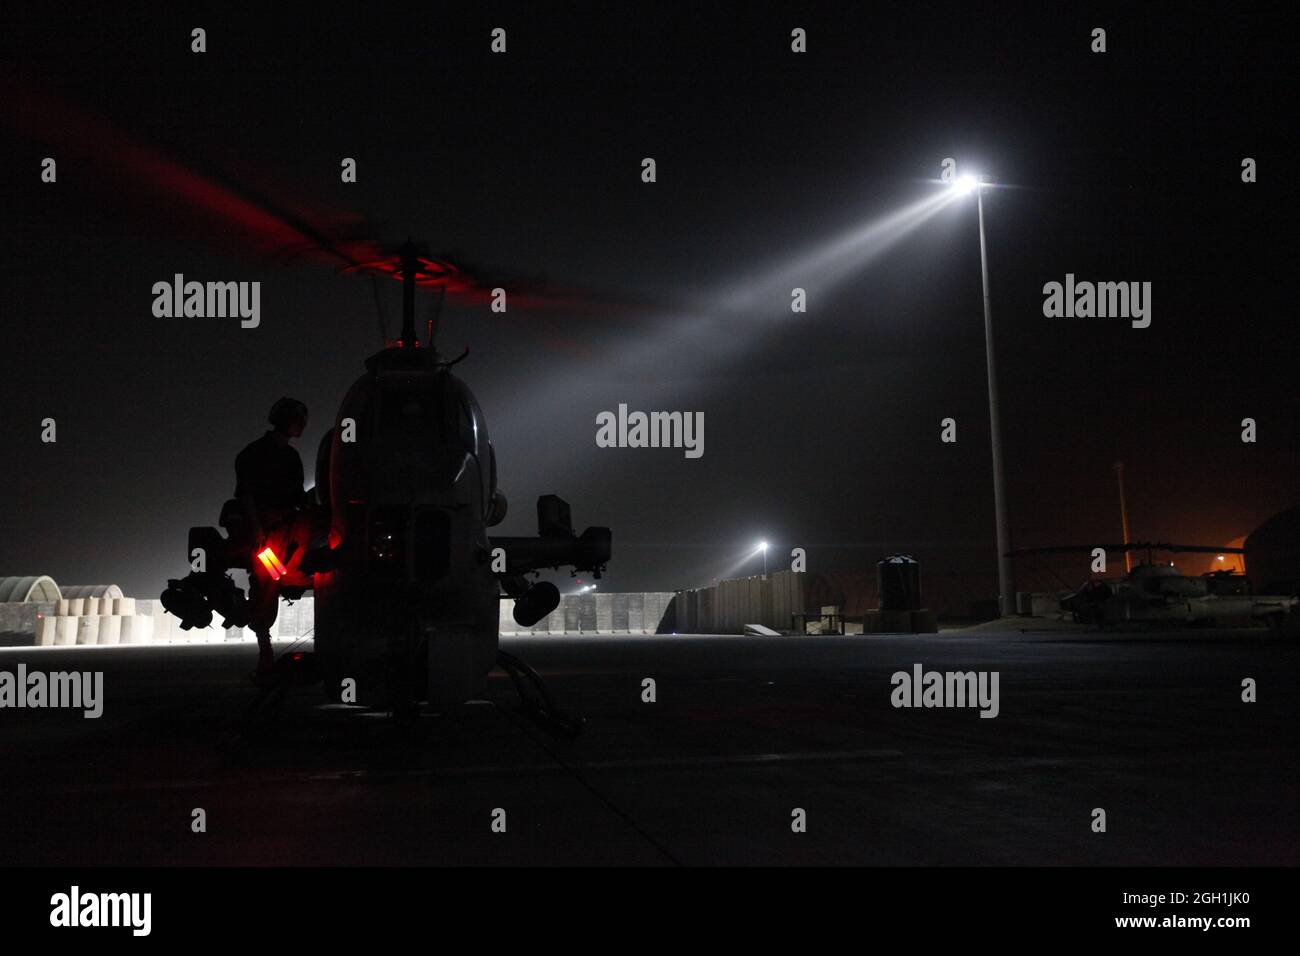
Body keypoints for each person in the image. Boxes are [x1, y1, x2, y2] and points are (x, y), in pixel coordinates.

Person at [235, 397, 315, 679]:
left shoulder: (286, 456)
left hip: (289, 531)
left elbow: (298, 499)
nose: (303, 426)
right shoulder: (256, 455)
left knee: (272, 583)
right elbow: (246, 495)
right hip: (270, 533)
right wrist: (258, 529)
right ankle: (265, 653)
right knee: (266, 584)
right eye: (300, 420)